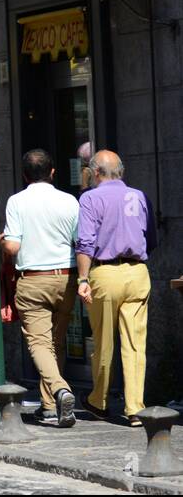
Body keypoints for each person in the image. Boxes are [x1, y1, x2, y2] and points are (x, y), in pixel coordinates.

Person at [0, 148, 79, 427]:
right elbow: (79, 240)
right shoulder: (70, 201)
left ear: (24, 175)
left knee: (38, 342)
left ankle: (60, 389)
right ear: (53, 172)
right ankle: (49, 405)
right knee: (56, 341)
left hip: (33, 279)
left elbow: (12, 245)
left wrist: (1, 241)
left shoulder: (17, 202)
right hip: (66, 277)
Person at [76, 150, 155, 425]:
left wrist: (83, 279)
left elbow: (85, 243)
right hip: (137, 273)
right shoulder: (140, 195)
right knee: (135, 344)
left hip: (105, 272)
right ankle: (135, 407)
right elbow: (151, 237)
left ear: (96, 172)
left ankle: (99, 400)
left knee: (104, 341)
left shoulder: (90, 198)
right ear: (120, 171)